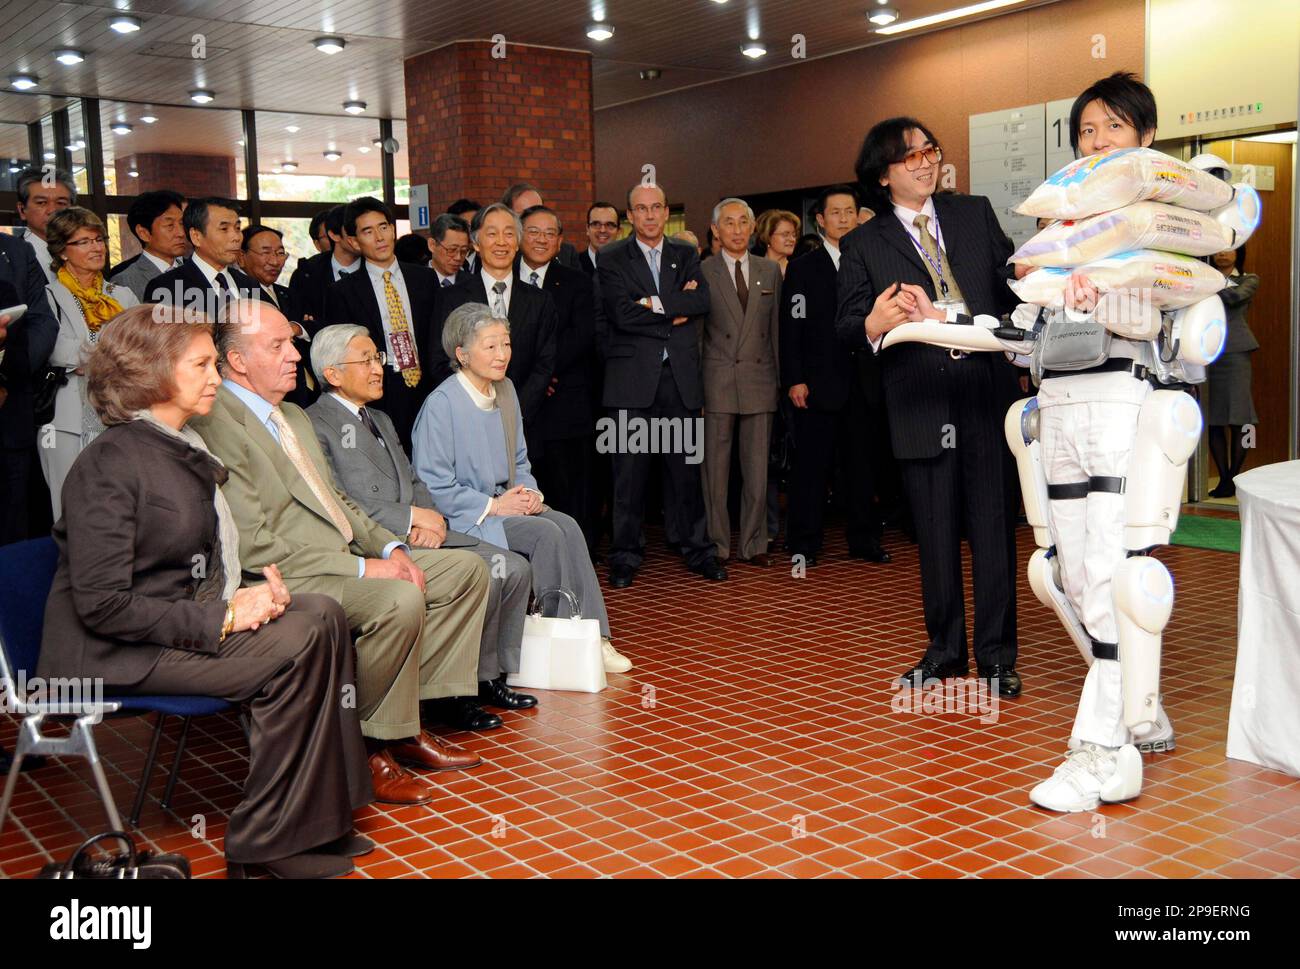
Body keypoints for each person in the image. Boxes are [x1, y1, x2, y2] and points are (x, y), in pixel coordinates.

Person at [36, 304, 373, 879]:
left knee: (322, 613)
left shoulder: (178, 445)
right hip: (114, 652)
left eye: (216, 362)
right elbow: (103, 604)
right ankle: (265, 846)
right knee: (299, 646)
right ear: (150, 372)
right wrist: (224, 617)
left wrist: (250, 601)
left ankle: (319, 821)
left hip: (167, 629)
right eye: (202, 364)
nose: (217, 376)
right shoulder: (110, 466)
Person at [1011, 74, 1224, 810]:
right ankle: (1143, 707)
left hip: (1124, 403)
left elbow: (1193, 347)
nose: (1098, 141)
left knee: (1115, 578)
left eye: (1113, 127)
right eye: (1088, 129)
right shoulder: (1065, 232)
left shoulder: (1160, 231)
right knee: (1069, 576)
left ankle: (1102, 751)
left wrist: (1121, 301)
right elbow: (1026, 337)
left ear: (1145, 139)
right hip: (1059, 405)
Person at [191, 299, 494, 806]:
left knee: (466, 570)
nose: (294, 354)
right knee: (398, 599)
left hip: (343, 552)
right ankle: (368, 745)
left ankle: (403, 723)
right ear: (238, 361)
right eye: (278, 345)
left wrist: (390, 545)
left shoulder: (290, 414)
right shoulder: (218, 422)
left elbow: (339, 500)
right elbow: (255, 546)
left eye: (291, 341)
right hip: (284, 573)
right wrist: (365, 567)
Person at [835, 116, 1022, 698]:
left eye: (929, 150)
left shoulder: (974, 213)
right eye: (908, 156)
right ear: (883, 176)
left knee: (994, 528)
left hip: (985, 392)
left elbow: (1012, 288)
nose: (924, 162)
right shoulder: (864, 244)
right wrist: (873, 324)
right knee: (935, 532)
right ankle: (945, 651)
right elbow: (847, 327)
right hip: (920, 399)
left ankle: (996, 656)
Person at [307, 324, 537, 711]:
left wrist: (431, 516)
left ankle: (491, 674)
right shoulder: (316, 424)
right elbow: (342, 500)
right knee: (489, 572)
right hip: (377, 540)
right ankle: (453, 692)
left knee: (514, 568)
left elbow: (414, 478)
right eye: (365, 361)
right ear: (332, 374)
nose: (378, 368)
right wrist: (409, 522)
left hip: (421, 530)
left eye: (377, 358)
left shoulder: (378, 418)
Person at [412, 303, 632, 673]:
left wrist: (530, 494)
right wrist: (496, 506)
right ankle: (562, 638)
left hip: (508, 504)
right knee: (546, 534)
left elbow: (520, 459)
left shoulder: (507, 390)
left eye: (506, 344)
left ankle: (595, 637)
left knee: (567, 525)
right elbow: (434, 485)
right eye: (490, 346)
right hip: (469, 516)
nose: (502, 355)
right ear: (462, 354)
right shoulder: (441, 405)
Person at [598, 181, 727, 588]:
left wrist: (651, 305)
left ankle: (697, 550)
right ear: (630, 216)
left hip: (680, 381)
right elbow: (620, 315)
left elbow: (701, 302)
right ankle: (624, 555)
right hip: (632, 382)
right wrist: (672, 309)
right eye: (641, 209)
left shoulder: (687, 253)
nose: (650, 215)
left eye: (657, 208)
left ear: (665, 211)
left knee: (686, 473)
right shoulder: (611, 257)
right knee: (629, 478)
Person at [782, 185, 890, 566]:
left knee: (863, 466)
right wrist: (795, 377)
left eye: (850, 212)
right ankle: (804, 543)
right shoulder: (802, 269)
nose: (844, 219)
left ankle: (864, 539)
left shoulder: (872, 260)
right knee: (812, 467)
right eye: (836, 213)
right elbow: (791, 328)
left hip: (865, 379)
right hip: (817, 383)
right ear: (821, 220)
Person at [40, 207, 140, 518]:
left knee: (119, 503)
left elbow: (139, 346)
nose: (96, 247)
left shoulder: (121, 295)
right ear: (62, 251)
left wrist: (94, 352)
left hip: (121, 412)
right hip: (68, 419)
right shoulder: (48, 295)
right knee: (69, 505)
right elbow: (55, 349)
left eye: (99, 239)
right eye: (83, 242)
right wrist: (110, 349)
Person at [426, 203, 557, 429]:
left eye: (508, 234)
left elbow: (544, 365)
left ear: (517, 243)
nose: (501, 242)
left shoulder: (540, 300)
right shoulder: (451, 298)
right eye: (492, 234)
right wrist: (477, 406)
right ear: (476, 243)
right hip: (466, 421)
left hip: (525, 423)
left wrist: (516, 411)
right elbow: (440, 360)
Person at [700, 198, 781, 566]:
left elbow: (776, 330)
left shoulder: (769, 270)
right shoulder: (703, 271)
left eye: (743, 222)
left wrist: (780, 380)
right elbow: (698, 336)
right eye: (728, 223)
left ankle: (754, 544)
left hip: (760, 379)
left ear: (752, 228)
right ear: (716, 230)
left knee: (757, 470)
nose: (737, 229)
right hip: (717, 382)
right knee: (715, 473)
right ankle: (716, 544)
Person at [517, 204, 601, 553]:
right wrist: (529, 377)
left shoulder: (577, 281)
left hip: (565, 401)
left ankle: (577, 553)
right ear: (521, 235)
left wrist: (543, 372)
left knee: (572, 485)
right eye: (534, 231)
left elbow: (581, 336)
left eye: (550, 233)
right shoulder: (501, 277)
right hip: (517, 398)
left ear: (561, 240)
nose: (541, 239)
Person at [324, 196, 439, 451]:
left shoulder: (425, 279)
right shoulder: (343, 292)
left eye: (384, 227)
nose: (379, 237)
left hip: (427, 385)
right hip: (379, 388)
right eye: (368, 231)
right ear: (354, 241)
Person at [239, 224, 316, 407]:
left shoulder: (290, 294)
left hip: (306, 391)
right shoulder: (239, 298)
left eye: (280, 253)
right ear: (241, 257)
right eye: (265, 253)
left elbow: (318, 325)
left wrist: (296, 328)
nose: (275, 261)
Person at [1205, 245, 1259, 497]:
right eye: (1218, 251)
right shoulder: (1202, 276)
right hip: (1207, 352)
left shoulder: (1248, 279)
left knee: (1242, 418)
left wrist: (1208, 285)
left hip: (1236, 352)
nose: (1222, 254)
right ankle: (1224, 477)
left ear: (1239, 254)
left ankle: (1234, 475)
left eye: (1229, 250)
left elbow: (1234, 297)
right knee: (1213, 418)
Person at [146, 197, 252, 315]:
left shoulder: (249, 283)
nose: (236, 237)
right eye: (224, 229)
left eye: (237, 228)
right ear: (196, 236)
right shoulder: (167, 287)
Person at [289, 205, 362, 328]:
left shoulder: (378, 268)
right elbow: (297, 324)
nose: (359, 237)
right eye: (352, 231)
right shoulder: (306, 275)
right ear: (334, 235)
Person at [108, 190, 188, 299]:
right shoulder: (124, 282)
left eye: (182, 224)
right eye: (170, 225)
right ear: (144, 233)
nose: (181, 233)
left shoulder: (196, 270)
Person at [14, 167, 75, 284]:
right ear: (22, 210)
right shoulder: (11, 258)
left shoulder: (86, 253)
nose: (52, 210)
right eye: (41, 203)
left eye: (61, 203)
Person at [501, 183, 581, 269]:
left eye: (538, 211)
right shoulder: (500, 253)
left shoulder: (566, 254)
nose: (534, 219)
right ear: (507, 215)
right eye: (525, 214)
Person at [428, 214, 471, 287]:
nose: (458, 258)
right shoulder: (413, 282)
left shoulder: (473, 284)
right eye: (452, 250)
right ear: (432, 245)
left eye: (463, 251)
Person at [754, 209, 801, 277]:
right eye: (785, 234)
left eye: (794, 235)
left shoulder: (800, 270)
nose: (792, 239)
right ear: (768, 236)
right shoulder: (752, 271)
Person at [582, 202, 620, 276]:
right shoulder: (573, 265)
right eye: (596, 224)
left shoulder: (629, 267)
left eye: (609, 225)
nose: (602, 230)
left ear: (619, 232)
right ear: (587, 229)